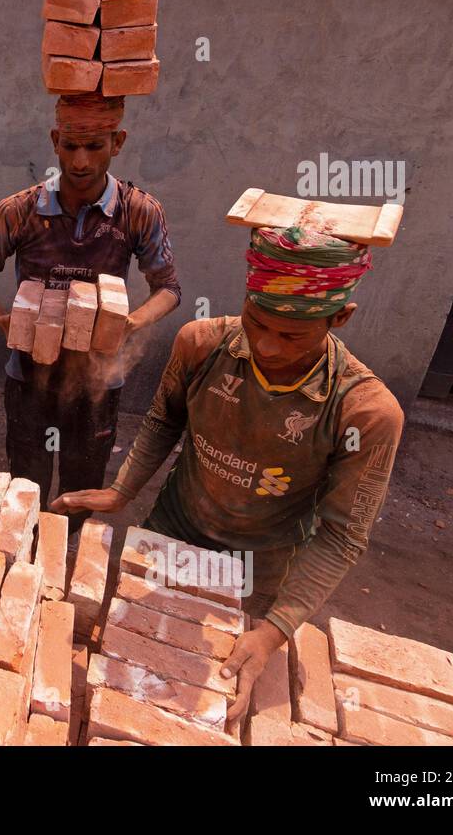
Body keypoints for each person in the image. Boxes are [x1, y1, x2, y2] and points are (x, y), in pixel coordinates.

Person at [53, 225, 405, 724]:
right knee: (133, 674)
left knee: (216, 696)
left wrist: (273, 630)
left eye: (292, 335)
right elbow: (164, 420)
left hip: (260, 563)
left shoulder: (365, 412)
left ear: (340, 317)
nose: (268, 346)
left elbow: (342, 536)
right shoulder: (201, 344)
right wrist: (121, 489)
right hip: (175, 528)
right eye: (256, 322)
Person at [0, 91, 180, 527]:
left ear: (117, 143)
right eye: (70, 146)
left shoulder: (138, 211)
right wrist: (4, 319)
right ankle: (24, 558)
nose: (80, 161)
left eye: (94, 146)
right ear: (55, 140)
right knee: (26, 486)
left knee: (81, 488)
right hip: (29, 377)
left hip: (97, 382)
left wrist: (130, 322)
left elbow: (169, 289)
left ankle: (67, 554)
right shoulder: (18, 211)